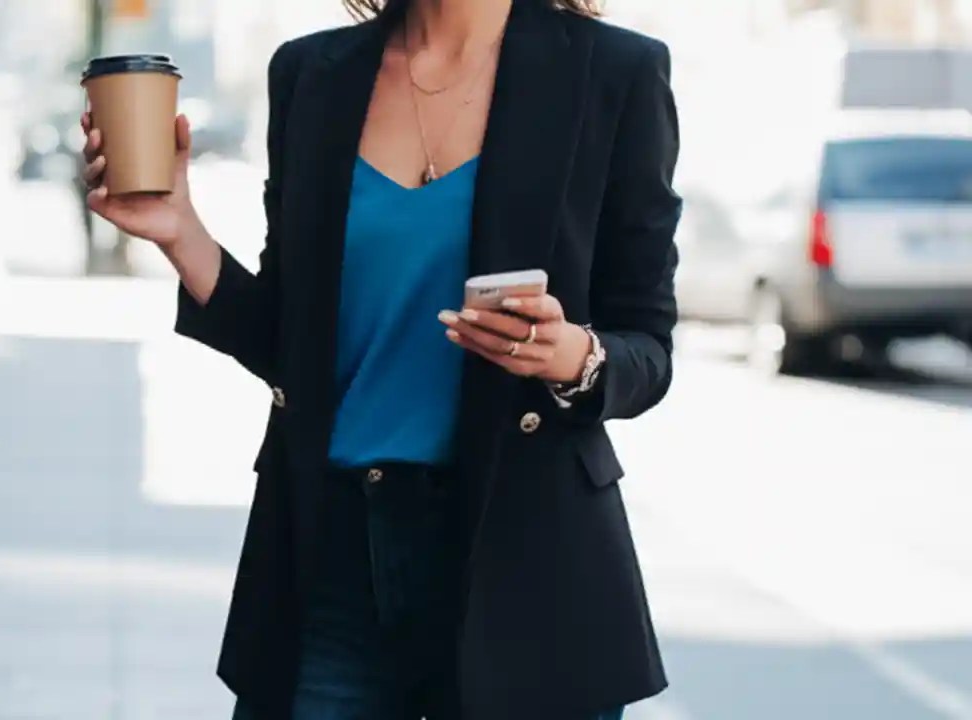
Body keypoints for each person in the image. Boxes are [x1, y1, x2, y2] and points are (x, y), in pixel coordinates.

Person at [81, 0, 680, 716]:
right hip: (333, 555)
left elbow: (646, 344)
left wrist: (572, 356)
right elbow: (294, 345)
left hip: (527, 561)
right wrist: (180, 232)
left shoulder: (614, 71)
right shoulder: (312, 74)